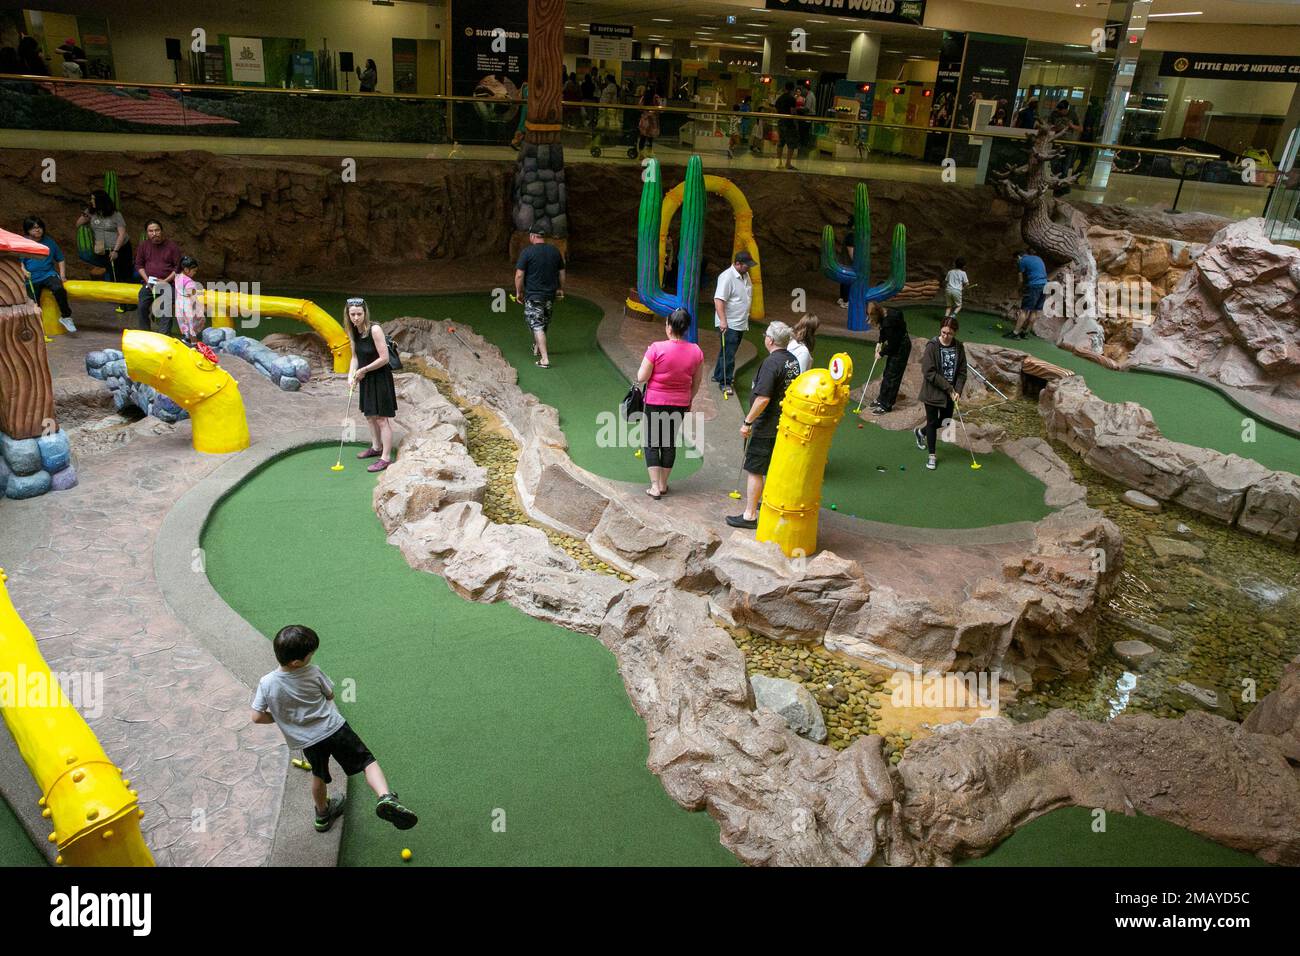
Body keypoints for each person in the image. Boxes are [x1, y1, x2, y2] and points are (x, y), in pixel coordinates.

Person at [250, 624, 417, 834]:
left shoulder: (266, 683)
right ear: (297, 662)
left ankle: (322, 815)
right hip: (334, 729)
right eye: (310, 654)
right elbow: (330, 695)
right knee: (367, 761)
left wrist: (281, 716)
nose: (312, 657)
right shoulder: (312, 672)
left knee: (318, 776)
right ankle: (385, 797)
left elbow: (256, 716)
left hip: (308, 741)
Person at [727, 321, 801, 529]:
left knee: (755, 469)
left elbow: (763, 399)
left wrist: (747, 421)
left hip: (767, 424)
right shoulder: (792, 360)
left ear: (770, 340)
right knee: (774, 467)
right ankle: (770, 504)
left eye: (765, 335)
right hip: (784, 423)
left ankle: (750, 515)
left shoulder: (771, 363)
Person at [636, 307, 704, 499]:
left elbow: (641, 376)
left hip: (655, 401)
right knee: (668, 442)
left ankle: (655, 486)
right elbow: (697, 381)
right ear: (686, 328)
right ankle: (664, 483)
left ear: (668, 327)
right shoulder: (696, 351)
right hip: (680, 403)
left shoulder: (656, 348)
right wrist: (689, 399)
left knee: (651, 442)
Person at [345, 297, 397, 472]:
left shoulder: (375, 329)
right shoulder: (353, 331)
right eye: (352, 314)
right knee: (369, 416)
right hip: (365, 378)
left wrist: (363, 370)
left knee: (382, 419)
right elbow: (354, 357)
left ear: (365, 313)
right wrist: (351, 375)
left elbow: (384, 358)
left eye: (359, 314)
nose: (356, 318)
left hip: (380, 377)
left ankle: (386, 458)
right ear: (348, 314)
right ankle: (376, 447)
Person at [913, 317, 968, 471]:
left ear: (954, 333)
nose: (945, 336)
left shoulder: (959, 347)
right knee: (932, 422)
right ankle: (932, 456)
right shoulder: (932, 346)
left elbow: (962, 372)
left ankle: (920, 432)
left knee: (946, 421)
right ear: (940, 330)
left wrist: (957, 390)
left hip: (949, 394)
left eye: (949, 333)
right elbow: (928, 372)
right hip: (933, 391)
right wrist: (949, 389)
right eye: (943, 332)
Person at [514, 227, 565, 368]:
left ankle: (545, 359)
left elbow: (519, 275)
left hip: (534, 295)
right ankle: (537, 347)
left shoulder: (527, 252)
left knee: (537, 325)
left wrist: (519, 292)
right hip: (549, 295)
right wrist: (560, 288)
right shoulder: (555, 251)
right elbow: (561, 273)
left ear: (532, 236)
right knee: (543, 322)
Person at [20, 216, 76, 333]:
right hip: (32, 278)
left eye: (39, 227)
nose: (37, 230)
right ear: (28, 230)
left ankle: (66, 317)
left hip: (48, 274)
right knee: (34, 304)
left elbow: (60, 258)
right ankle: (36, 329)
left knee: (59, 289)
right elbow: (20, 263)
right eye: (34, 228)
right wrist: (24, 271)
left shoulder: (49, 241)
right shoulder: (23, 242)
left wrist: (62, 275)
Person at [712, 250, 755, 398]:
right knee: (729, 354)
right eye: (746, 265)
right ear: (737, 263)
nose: (748, 268)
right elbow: (719, 300)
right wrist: (723, 321)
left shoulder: (745, 275)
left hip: (740, 322)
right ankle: (725, 382)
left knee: (728, 351)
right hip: (729, 323)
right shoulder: (726, 277)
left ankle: (718, 375)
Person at [133, 219, 182, 334]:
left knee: (166, 307)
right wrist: (147, 281)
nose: (154, 233)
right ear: (147, 233)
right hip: (149, 283)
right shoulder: (143, 246)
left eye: (157, 230)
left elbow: (178, 268)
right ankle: (145, 333)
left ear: (161, 231)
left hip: (168, 283)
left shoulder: (172, 247)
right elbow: (139, 265)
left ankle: (164, 335)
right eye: (151, 231)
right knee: (142, 307)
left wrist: (165, 281)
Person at [868, 301, 910, 414]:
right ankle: (881, 399)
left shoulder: (888, 323)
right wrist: (880, 342)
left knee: (893, 377)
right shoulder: (885, 314)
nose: (870, 321)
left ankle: (886, 405)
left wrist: (880, 354)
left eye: (871, 319)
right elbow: (883, 330)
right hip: (896, 344)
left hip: (901, 347)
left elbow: (893, 344)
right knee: (887, 374)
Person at [1007, 249, 1047, 339]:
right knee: (1035, 311)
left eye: (1016, 260)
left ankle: (1015, 333)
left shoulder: (1022, 261)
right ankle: (1025, 333)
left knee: (1024, 310)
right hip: (1045, 285)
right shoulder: (1038, 258)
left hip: (1034, 286)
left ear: (1018, 257)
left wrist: (1017, 290)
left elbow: (1020, 280)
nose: (1016, 262)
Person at [174, 255, 204, 344]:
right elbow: (192, 295)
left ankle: (185, 339)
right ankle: (194, 344)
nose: (195, 273)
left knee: (184, 325)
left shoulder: (177, 277)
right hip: (188, 306)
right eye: (194, 271)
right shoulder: (190, 282)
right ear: (186, 270)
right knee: (192, 327)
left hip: (179, 305)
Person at [774, 81, 799, 170]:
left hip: (780, 121)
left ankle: (779, 162)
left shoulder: (780, 98)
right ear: (793, 89)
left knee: (781, 142)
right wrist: (796, 123)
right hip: (789, 123)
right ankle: (788, 163)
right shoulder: (791, 99)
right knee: (791, 144)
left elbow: (776, 108)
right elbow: (793, 112)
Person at [637, 81, 662, 158]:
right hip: (652, 120)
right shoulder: (656, 97)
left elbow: (639, 107)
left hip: (644, 119)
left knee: (643, 137)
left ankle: (641, 153)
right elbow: (660, 107)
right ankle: (649, 152)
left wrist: (645, 113)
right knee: (650, 137)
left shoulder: (644, 97)